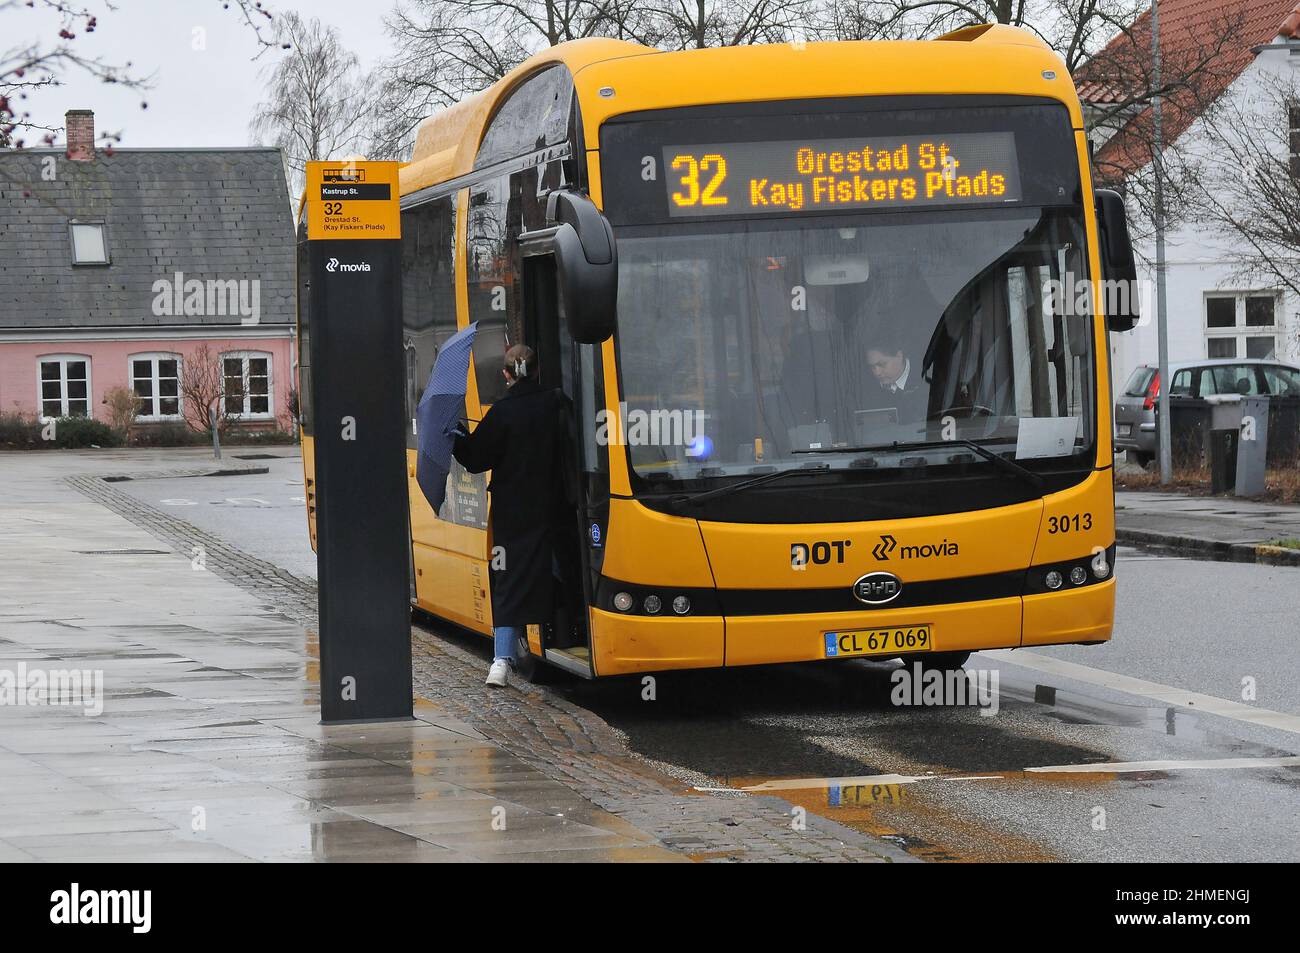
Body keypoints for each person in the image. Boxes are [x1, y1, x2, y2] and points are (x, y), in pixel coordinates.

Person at [452, 344, 566, 688]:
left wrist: (457, 436)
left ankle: (501, 661)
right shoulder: (557, 403)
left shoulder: (502, 413)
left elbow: (475, 458)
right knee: (554, 572)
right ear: (536, 370)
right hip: (554, 508)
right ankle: (558, 634)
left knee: (509, 582)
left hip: (512, 514)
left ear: (506, 374)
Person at [865, 336, 929, 424]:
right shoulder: (866, 387)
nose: (877, 372)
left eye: (882, 364)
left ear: (899, 356)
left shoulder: (929, 376)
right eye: (872, 367)